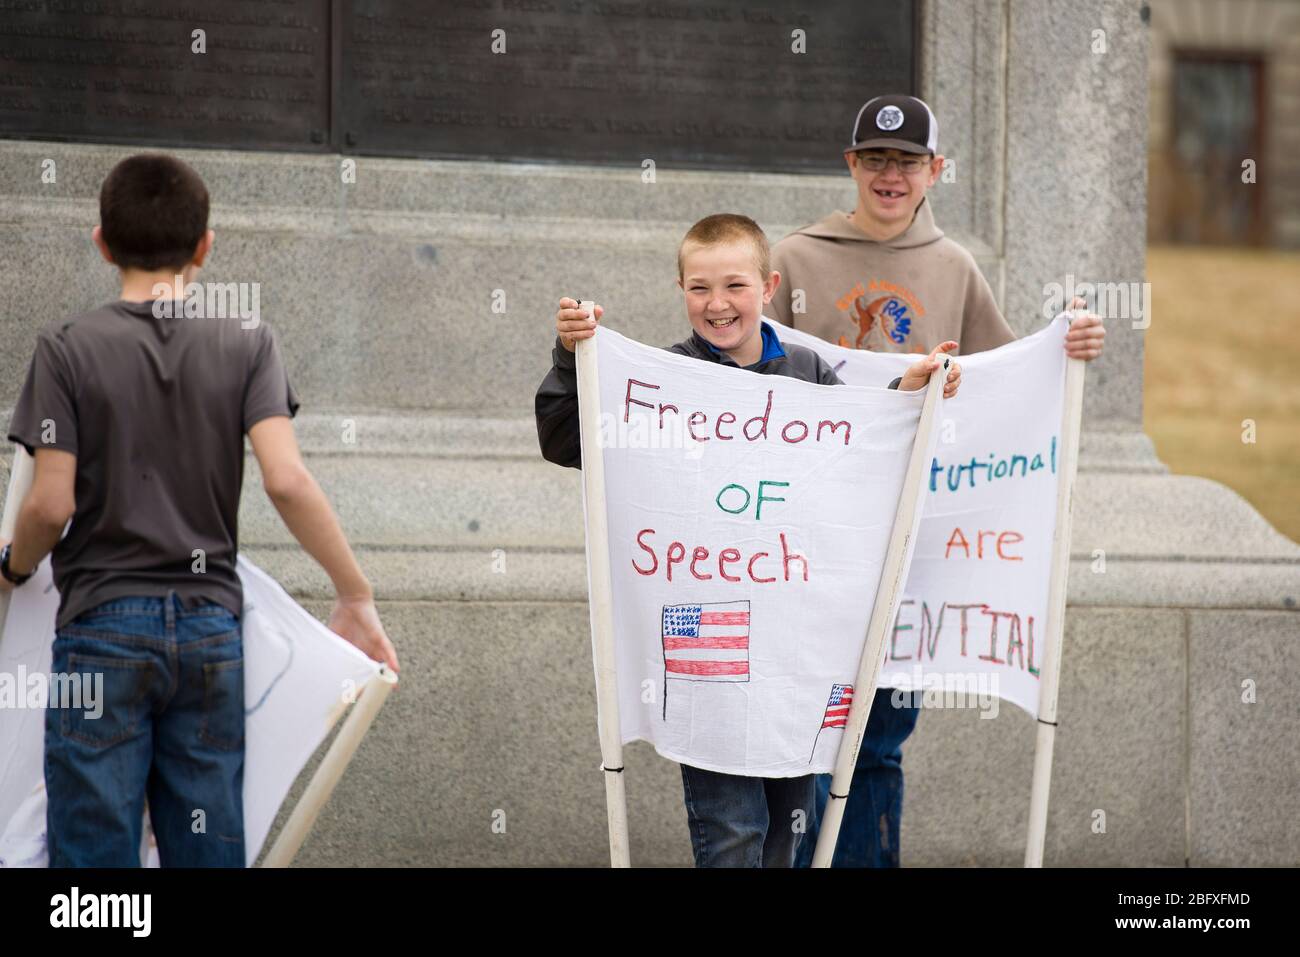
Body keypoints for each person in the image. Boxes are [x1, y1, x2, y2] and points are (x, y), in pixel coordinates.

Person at [0, 153, 400, 867]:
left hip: (100, 630)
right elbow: (287, 480)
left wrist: (13, 567)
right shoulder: (247, 340)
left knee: (94, 865)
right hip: (211, 633)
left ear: (100, 242)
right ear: (205, 246)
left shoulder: (64, 350)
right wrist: (354, 591)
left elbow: (50, 503)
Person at [534, 212, 961, 867]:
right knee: (732, 829)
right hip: (711, 650)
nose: (717, 303)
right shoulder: (660, 381)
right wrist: (573, 357)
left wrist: (908, 393)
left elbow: (859, 454)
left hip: (795, 649)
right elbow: (569, 439)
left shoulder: (808, 371)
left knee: (790, 829)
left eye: (734, 285)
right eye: (699, 288)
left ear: (768, 286)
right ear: (680, 288)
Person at [768, 93, 1105, 868]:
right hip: (812, 536)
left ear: (935, 171)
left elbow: (1007, 382)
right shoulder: (795, 258)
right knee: (807, 731)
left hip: (910, 541)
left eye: (908, 161)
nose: (891, 175)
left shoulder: (953, 269)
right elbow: (749, 369)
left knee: (879, 739)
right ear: (851, 164)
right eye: (876, 159)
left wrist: (1069, 347)